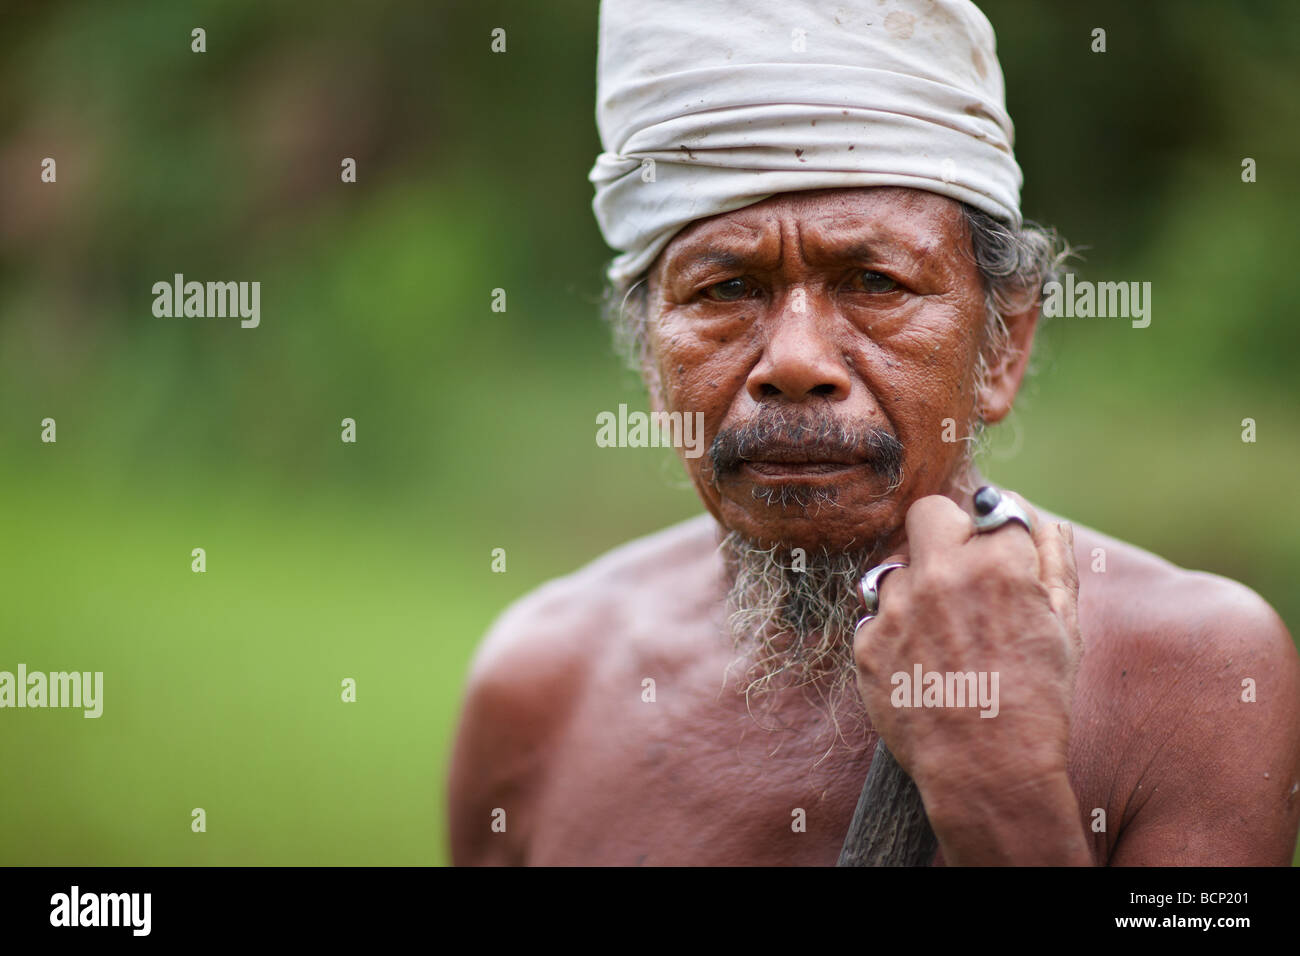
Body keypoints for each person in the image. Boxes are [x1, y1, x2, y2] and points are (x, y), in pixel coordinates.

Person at [447, 0, 1300, 865]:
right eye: (725, 289)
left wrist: (1004, 799)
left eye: (874, 281)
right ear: (649, 361)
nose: (794, 360)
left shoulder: (1196, 682)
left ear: (1003, 349)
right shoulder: (540, 688)